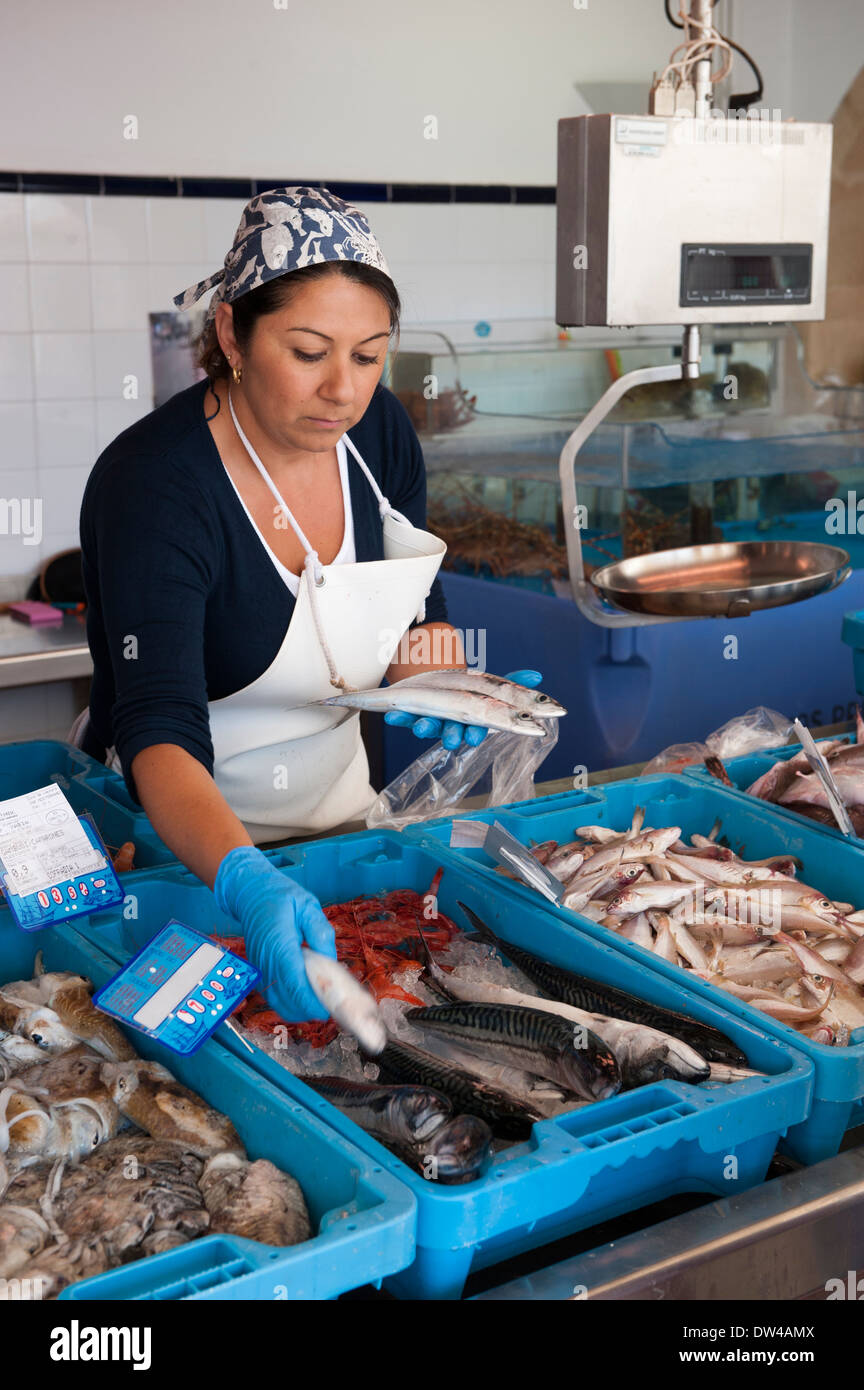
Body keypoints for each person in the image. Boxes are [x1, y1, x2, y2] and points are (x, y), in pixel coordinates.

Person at [78, 186, 540, 1023]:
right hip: (188, 862)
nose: (343, 390)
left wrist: (436, 682)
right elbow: (155, 726)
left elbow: (416, 616)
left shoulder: (380, 437)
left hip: (346, 842)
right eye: (309, 351)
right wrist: (244, 879)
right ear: (232, 334)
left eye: (369, 356)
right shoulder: (157, 485)